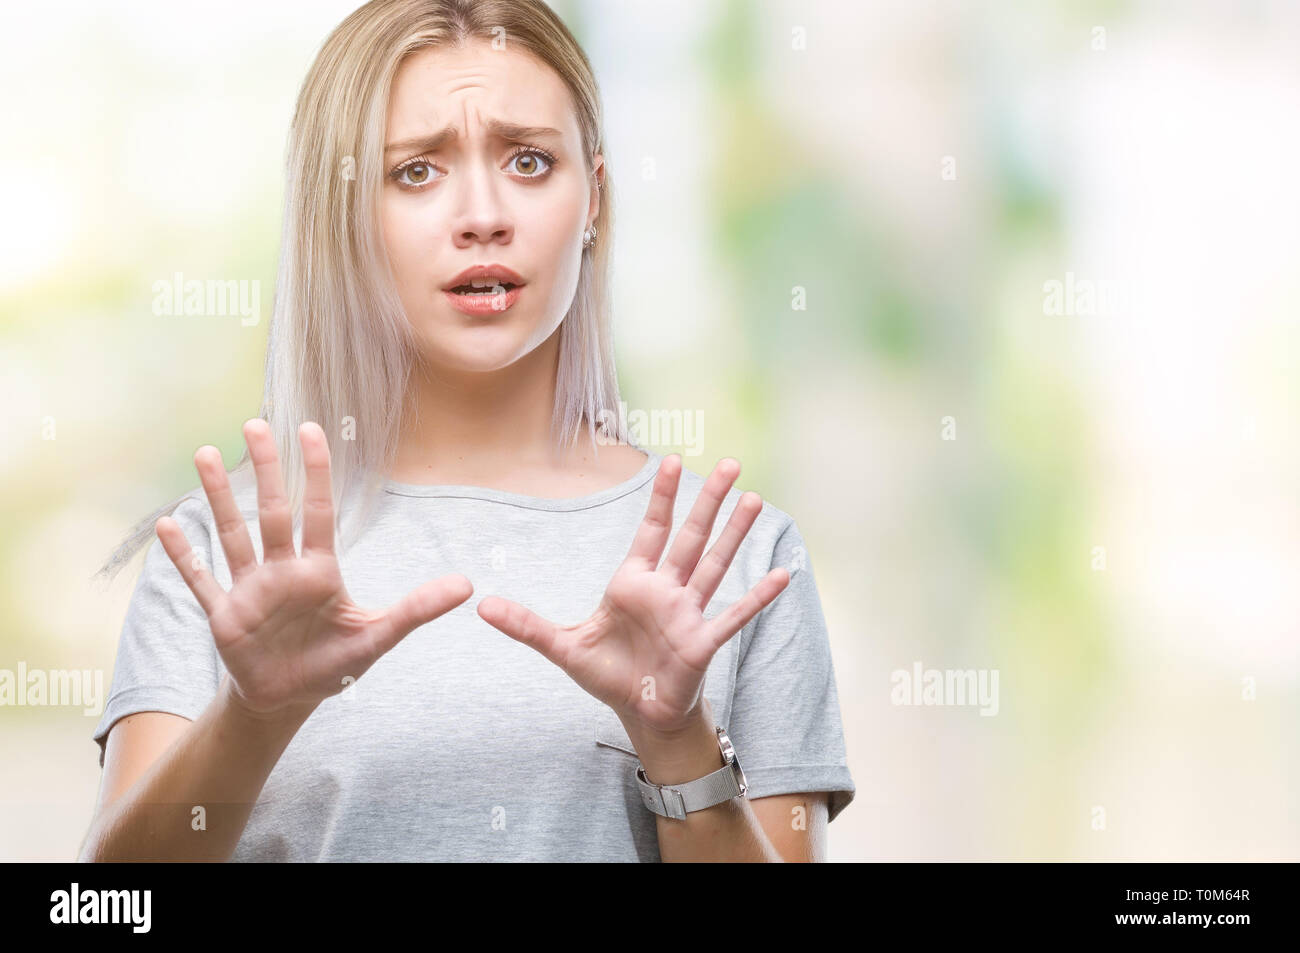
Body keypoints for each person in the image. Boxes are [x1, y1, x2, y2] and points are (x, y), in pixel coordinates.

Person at [81, 0, 854, 862]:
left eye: (529, 160)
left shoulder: (741, 559)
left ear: (594, 195)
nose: (483, 214)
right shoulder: (219, 562)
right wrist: (255, 715)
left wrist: (675, 739)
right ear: (340, 211)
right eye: (415, 171)